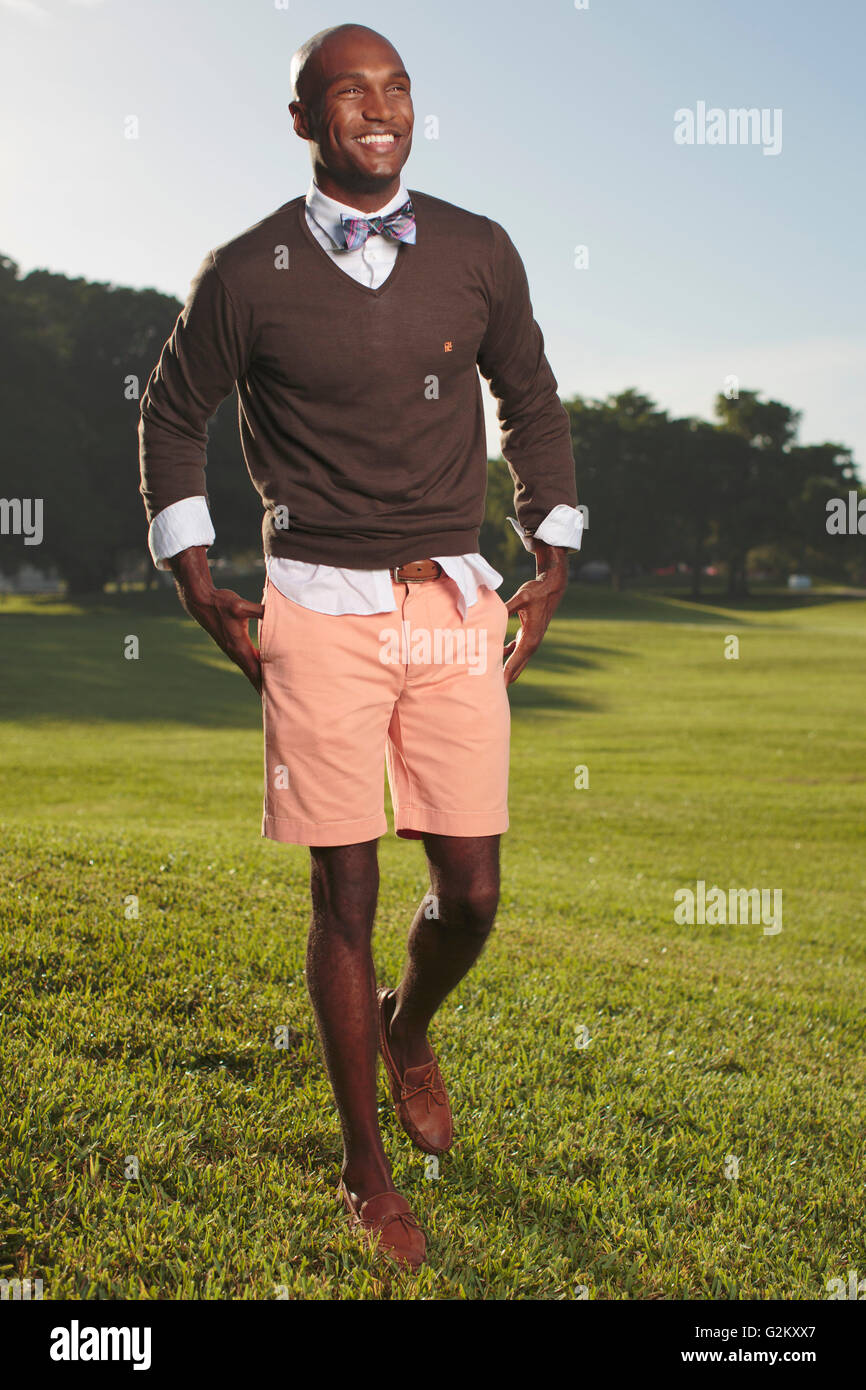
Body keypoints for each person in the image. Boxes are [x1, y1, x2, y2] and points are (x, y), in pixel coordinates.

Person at [138, 21, 583, 1272]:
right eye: (349, 92)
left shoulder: (478, 249)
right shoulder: (246, 272)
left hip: (452, 600)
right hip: (313, 605)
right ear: (303, 120)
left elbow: (531, 395)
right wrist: (194, 573)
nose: (378, 109)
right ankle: (363, 1171)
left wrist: (551, 551)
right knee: (345, 891)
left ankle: (409, 1023)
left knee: (475, 889)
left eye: (394, 88)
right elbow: (175, 415)